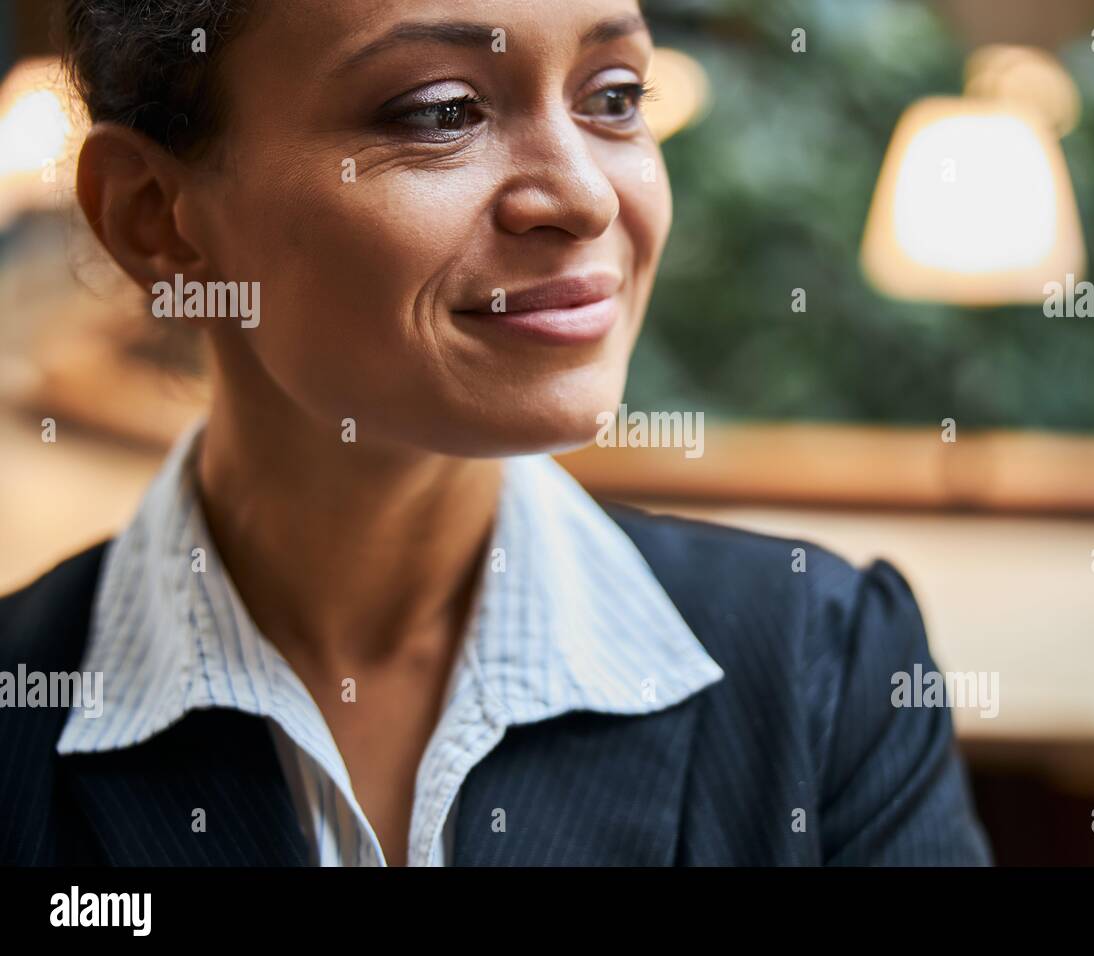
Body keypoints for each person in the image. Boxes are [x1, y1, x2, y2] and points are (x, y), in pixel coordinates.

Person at [0, 0, 991, 866]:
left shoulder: (822, 680)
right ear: (155, 222)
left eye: (612, 97)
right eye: (442, 112)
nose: (586, 195)